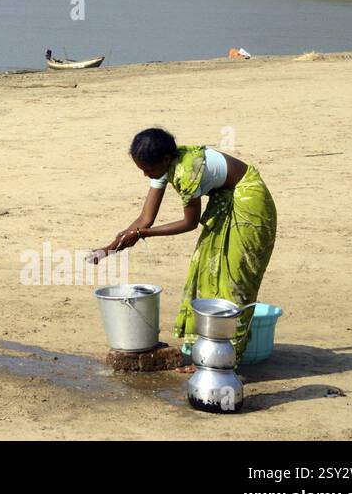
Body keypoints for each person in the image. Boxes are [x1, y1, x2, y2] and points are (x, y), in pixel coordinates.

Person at [89, 127, 277, 363]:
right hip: (226, 199)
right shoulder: (163, 166)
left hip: (249, 203)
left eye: (148, 170)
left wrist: (143, 234)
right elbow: (145, 218)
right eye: (142, 170)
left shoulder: (186, 172)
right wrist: (108, 249)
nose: (146, 175)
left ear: (166, 159)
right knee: (208, 269)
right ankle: (209, 355)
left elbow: (190, 223)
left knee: (234, 278)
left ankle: (227, 362)